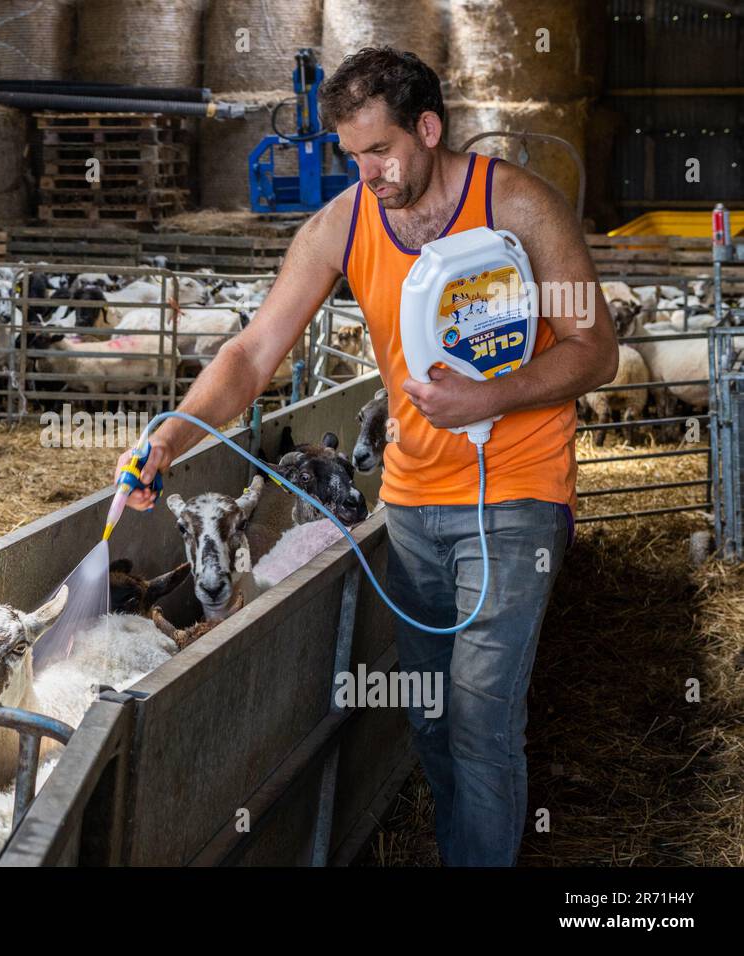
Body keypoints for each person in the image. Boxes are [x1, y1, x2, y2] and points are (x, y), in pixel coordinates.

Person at [115, 47, 618, 866]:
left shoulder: (519, 205)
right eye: (354, 156)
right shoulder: (343, 225)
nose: (369, 172)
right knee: (428, 715)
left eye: (381, 150)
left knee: (482, 713)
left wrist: (491, 395)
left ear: (429, 127)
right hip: (413, 502)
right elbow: (253, 353)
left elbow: (597, 350)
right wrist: (171, 432)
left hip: (519, 490)